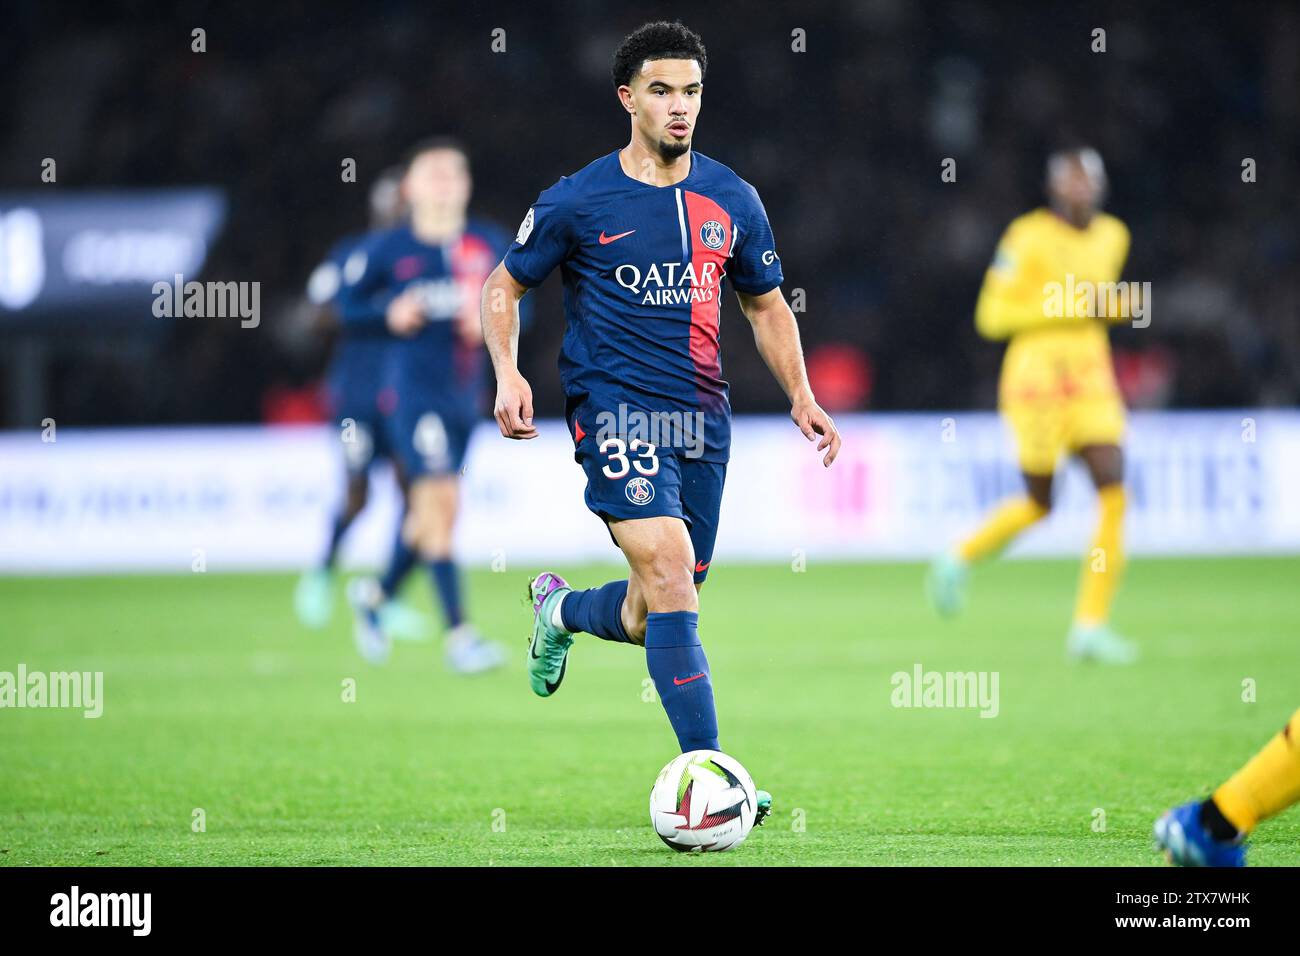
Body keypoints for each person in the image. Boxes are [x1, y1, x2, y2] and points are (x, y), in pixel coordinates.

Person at [479, 20, 841, 814]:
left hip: (704, 426)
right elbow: (503, 287)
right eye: (662, 92)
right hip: (614, 415)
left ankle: (559, 610)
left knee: (658, 608)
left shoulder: (733, 197)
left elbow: (766, 303)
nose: (680, 108)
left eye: (692, 93)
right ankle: (711, 777)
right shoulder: (576, 200)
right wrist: (506, 371)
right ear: (628, 98)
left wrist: (801, 393)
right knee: (672, 575)